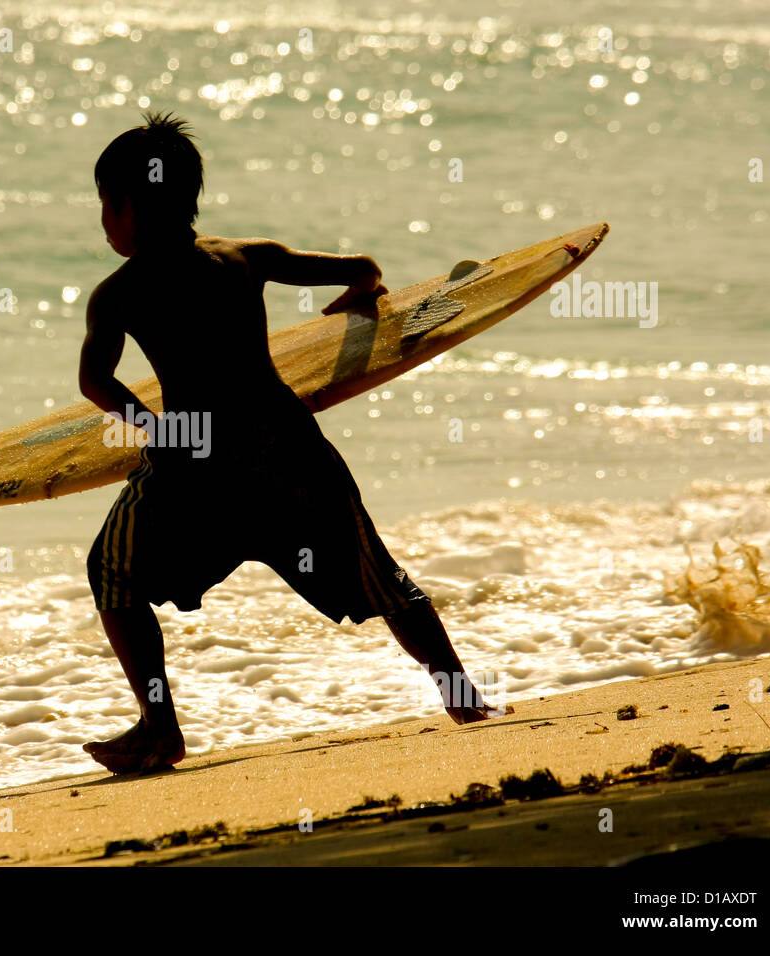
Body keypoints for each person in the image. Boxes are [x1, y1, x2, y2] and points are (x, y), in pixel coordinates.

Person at [78, 110, 499, 775]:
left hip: (196, 470)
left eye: (105, 205)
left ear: (127, 206)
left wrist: (157, 430)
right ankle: (464, 697)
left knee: (112, 569)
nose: (103, 222)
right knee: (380, 576)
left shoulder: (118, 295)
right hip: (287, 452)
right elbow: (363, 269)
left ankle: (160, 727)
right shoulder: (248, 259)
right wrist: (357, 303)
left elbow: (95, 381)